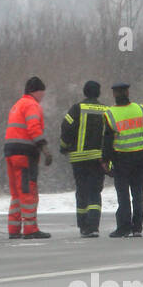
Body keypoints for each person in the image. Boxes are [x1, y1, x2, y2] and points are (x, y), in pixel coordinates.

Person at [3, 76, 53, 239]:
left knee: (17, 193)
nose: (43, 97)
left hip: (10, 152)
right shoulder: (32, 105)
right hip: (25, 154)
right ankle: (31, 229)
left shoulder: (17, 105)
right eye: (42, 93)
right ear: (36, 91)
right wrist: (45, 149)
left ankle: (14, 229)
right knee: (28, 191)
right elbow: (34, 128)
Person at [59, 80, 109, 237]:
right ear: (98, 93)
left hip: (79, 158)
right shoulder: (106, 110)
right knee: (95, 192)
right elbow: (110, 134)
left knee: (81, 191)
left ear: (84, 92)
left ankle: (83, 226)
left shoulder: (77, 108)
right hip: (98, 159)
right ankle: (93, 226)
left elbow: (66, 127)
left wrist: (64, 146)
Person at [102, 82, 143, 237]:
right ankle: (137, 227)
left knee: (123, 195)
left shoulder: (110, 114)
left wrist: (105, 160)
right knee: (138, 194)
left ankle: (124, 227)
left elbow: (108, 141)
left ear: (114, 94)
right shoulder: (140, 109)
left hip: (121, 158)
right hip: (140, 157)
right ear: (128, 92)